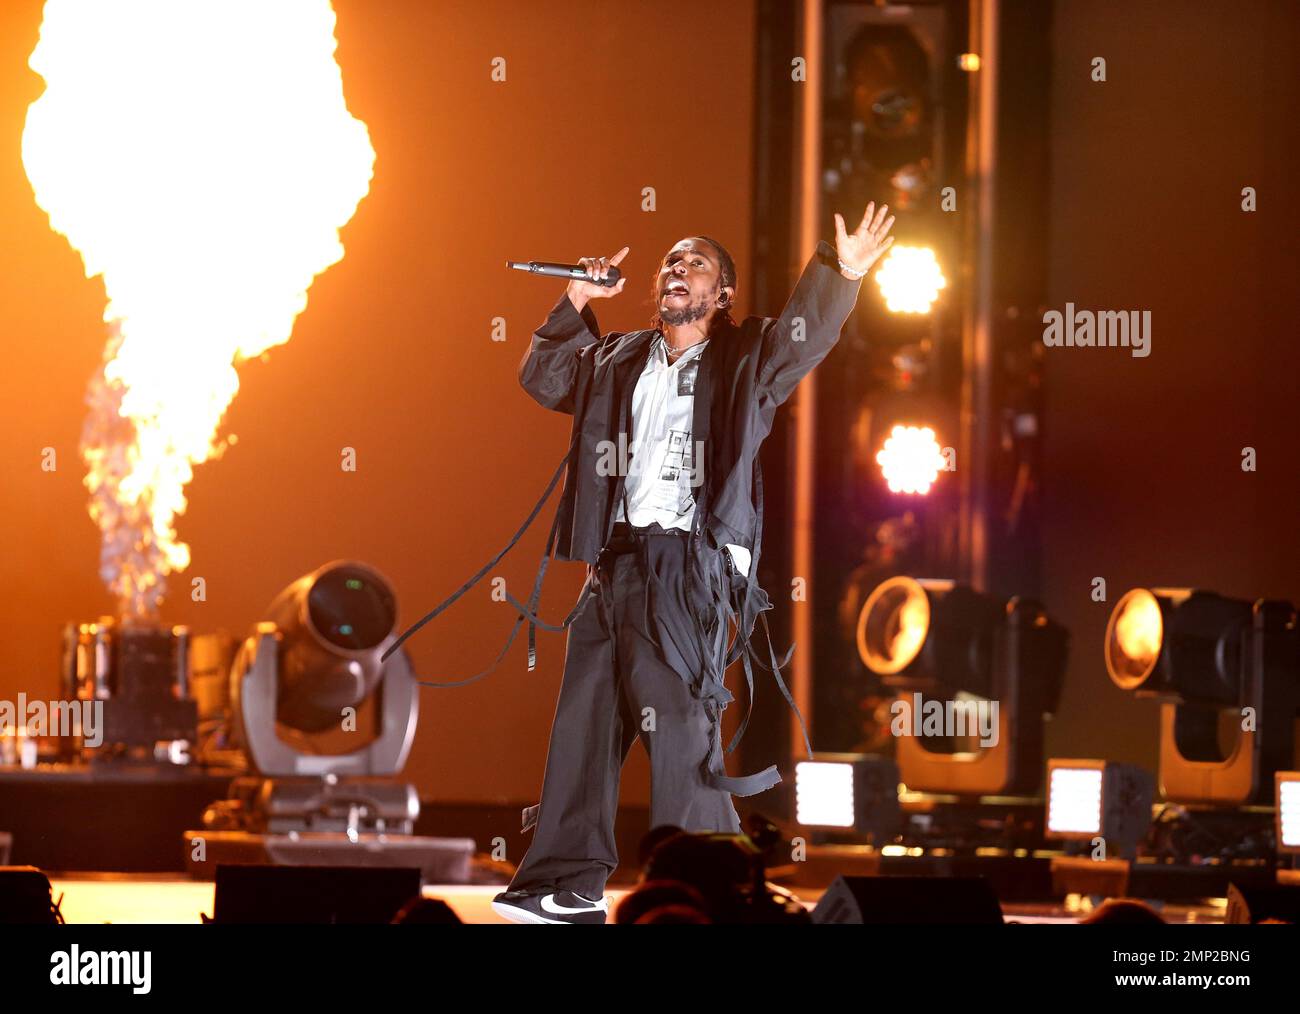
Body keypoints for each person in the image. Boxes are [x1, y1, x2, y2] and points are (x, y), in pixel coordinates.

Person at [482, 205, 894, 925]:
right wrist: (576, 297)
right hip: (613, 565)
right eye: (670, 260)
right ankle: (564, 883)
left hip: (688, 568)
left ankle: (714, 883)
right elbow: (546, 380)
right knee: (585, 720)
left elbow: (806, 335)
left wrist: (844, 269)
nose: (676, 267)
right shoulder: (619, 358)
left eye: (695, 261)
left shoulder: (746, 360)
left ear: (722, 295)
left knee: (677, 725)